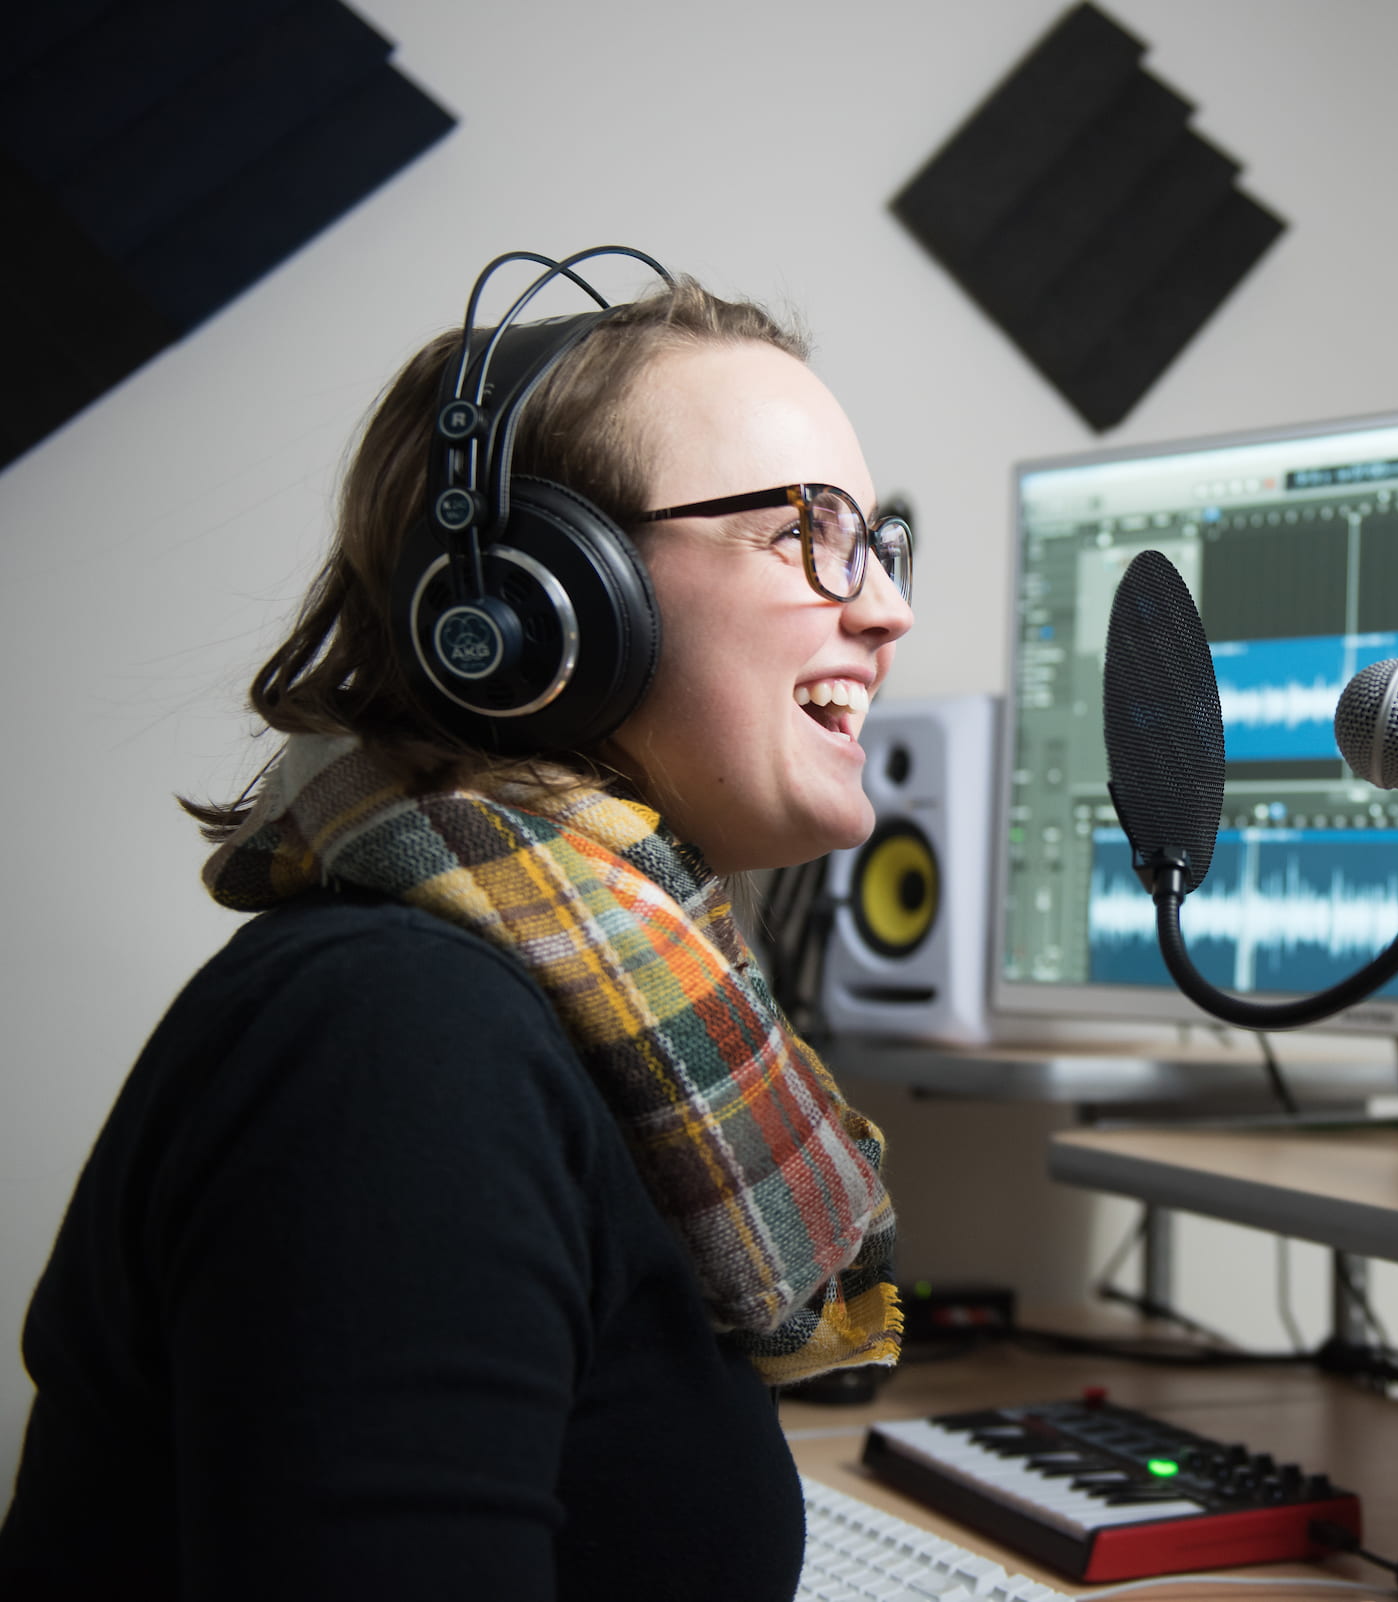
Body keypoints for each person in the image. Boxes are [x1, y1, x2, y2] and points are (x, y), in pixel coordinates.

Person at [0, 255, 913, 1600]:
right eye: (804, 531)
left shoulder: (574, 1005)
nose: (887, 608)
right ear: (552, 597)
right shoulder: (395, 1047)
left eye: (880, 543)